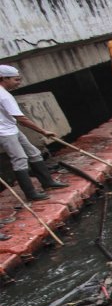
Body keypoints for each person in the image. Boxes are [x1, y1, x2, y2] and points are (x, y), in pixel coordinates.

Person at [0, 65, 67, 204]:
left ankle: (47, 182)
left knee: (34, 153)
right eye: (16, 80)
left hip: (11, 127)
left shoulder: (4, 93)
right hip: (5, 132)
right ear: (4, 78)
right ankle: (30, 193)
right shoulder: (4, 96)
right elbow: (22, 119)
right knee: (20, 159)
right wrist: (43, 131)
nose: (19, 83)